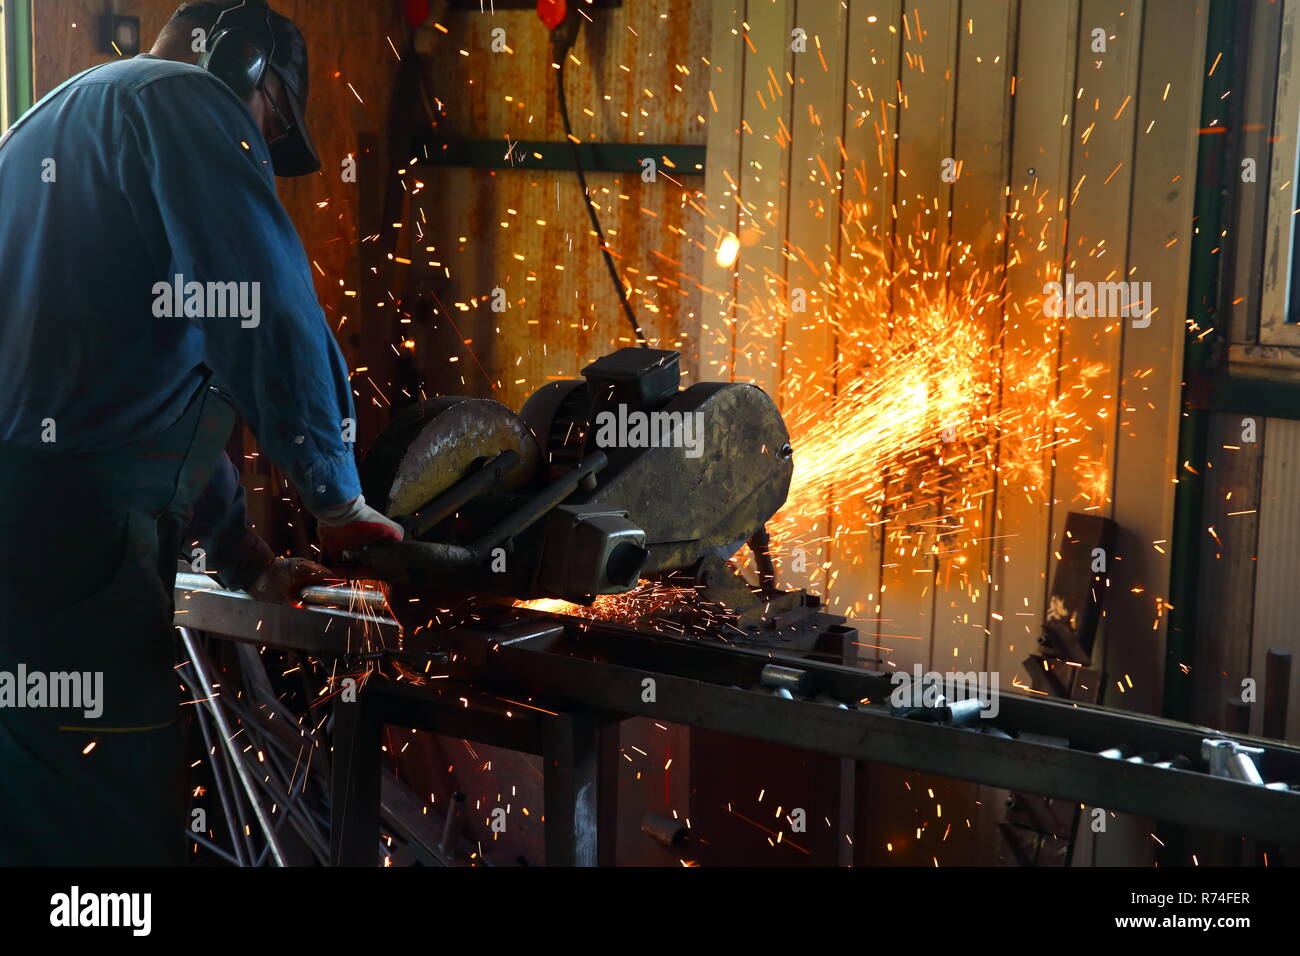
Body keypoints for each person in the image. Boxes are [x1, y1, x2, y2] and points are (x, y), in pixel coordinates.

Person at [0, 1, 402, 865]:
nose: (259, 142)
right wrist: (334, 491)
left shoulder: (64, 118)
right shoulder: (186, 102)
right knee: (107, 802)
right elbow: (263, 303)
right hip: (75, 544)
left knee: (37, 797)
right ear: (243, 64)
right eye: (273, 118)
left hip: (36, 528)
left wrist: (243, 555)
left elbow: (154, 401)